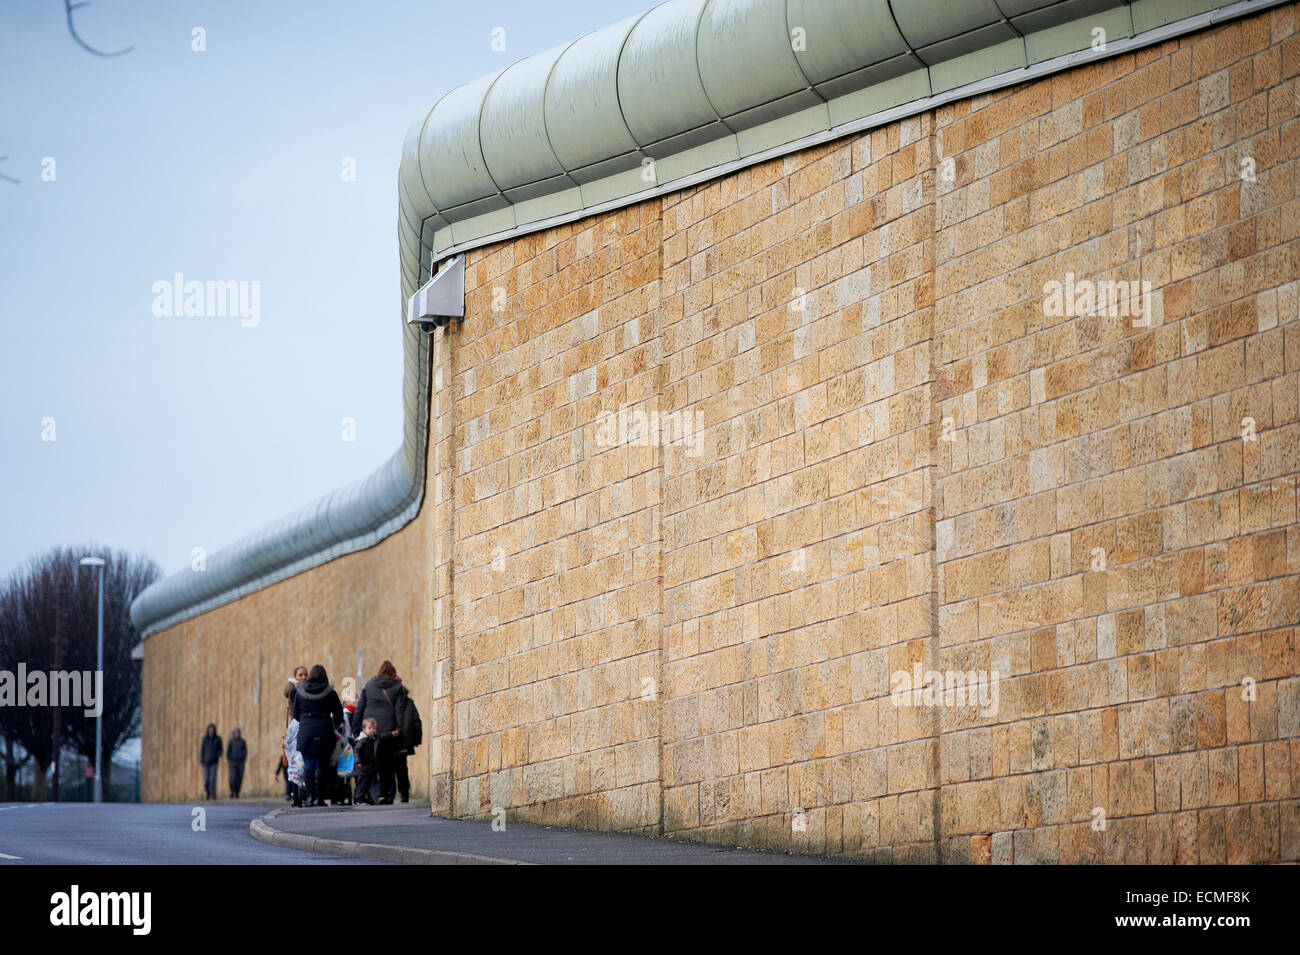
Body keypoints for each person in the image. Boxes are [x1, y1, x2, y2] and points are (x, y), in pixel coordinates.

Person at [352, 660, 408, 805]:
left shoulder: (369, 685)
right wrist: (398, 729)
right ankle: (386, 795)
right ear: (393, 673)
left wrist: (356, 728)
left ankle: (369, 795)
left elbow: (359, 708)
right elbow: (399, 710)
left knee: (370, 762)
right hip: (388, 728)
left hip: (369, 726)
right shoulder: (397, 687)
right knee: (387, 764)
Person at [291, 664, 344, 808]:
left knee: (309, 765)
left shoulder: (300, 693)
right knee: (322, 767)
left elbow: (295, 714)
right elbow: (339, 715)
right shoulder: (330, 693)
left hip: (306, 733)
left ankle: (310, 797)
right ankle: (320, 798)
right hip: (325, 733)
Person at [352, 717, 380, 806]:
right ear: (364, 729)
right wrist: (358, 761)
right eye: (370, 728)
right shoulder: (362, 740)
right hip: (362, 767)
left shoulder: (373, 739)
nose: (372, 730)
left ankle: (375, 798)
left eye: (374, 728)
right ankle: (358, 799)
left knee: (374, 783)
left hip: (371, 767)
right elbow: (357, 751)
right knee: (362, 784)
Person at [199, 724, 222, 800]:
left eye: (212, 729)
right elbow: (202, 750)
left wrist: (216, 756)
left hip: (214, 762)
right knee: (206, 779)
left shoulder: (217, 739)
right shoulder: (205, 739)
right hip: (206, 762)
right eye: (210, 729)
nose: (211, 730)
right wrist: (201, 760)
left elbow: (220, 750)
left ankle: (213, 794)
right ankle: (207, 792)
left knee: (212, 779)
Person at [227, 727, 248, 797]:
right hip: (232, 762)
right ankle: (232, 791)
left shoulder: (242, 741)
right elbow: (228, 752)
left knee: (239, 778)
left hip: (240, 762)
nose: (237, 734)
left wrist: (243, 759)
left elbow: (245, 751)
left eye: (238, 733)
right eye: (236, 733)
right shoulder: (231, 742)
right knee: (232, 778)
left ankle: (237, 792)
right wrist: (229, 760)